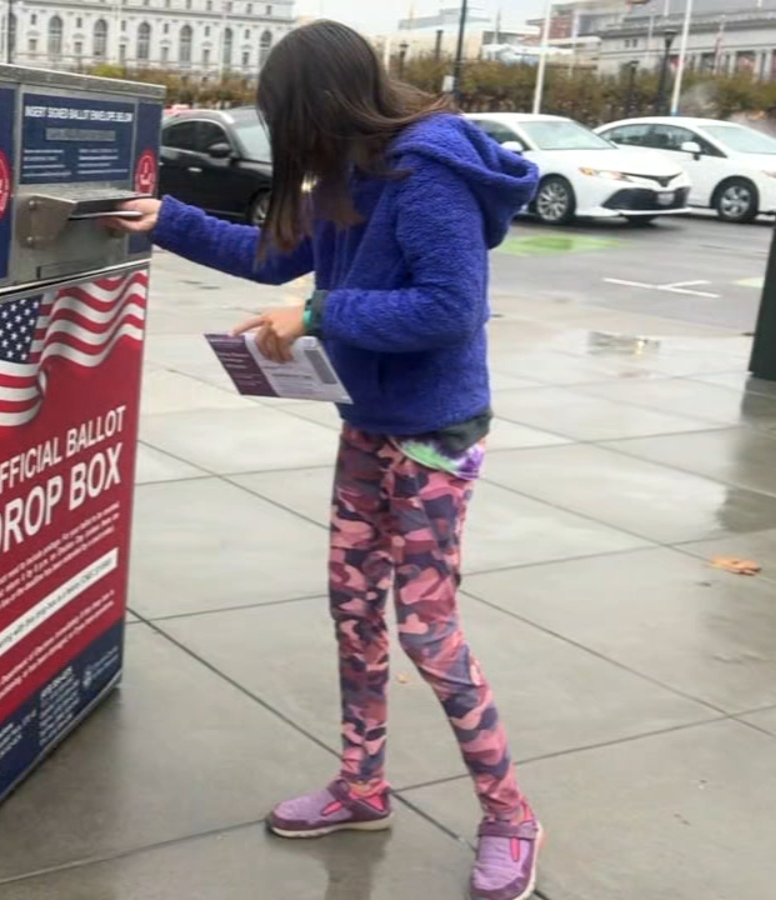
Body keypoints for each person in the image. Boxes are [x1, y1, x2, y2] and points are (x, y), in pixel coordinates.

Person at [111, 20, 543, 900]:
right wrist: (166, 220)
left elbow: (449, 309)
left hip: (436, 434)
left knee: (426, 628)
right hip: (369, 424)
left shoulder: (426, 173)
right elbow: (271, 255)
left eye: (288, 117)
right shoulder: (351, 174)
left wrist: (315, 320)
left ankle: (510, 816)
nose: (287, 138)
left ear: (325, 104)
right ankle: (361, 784)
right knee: (352, 611)